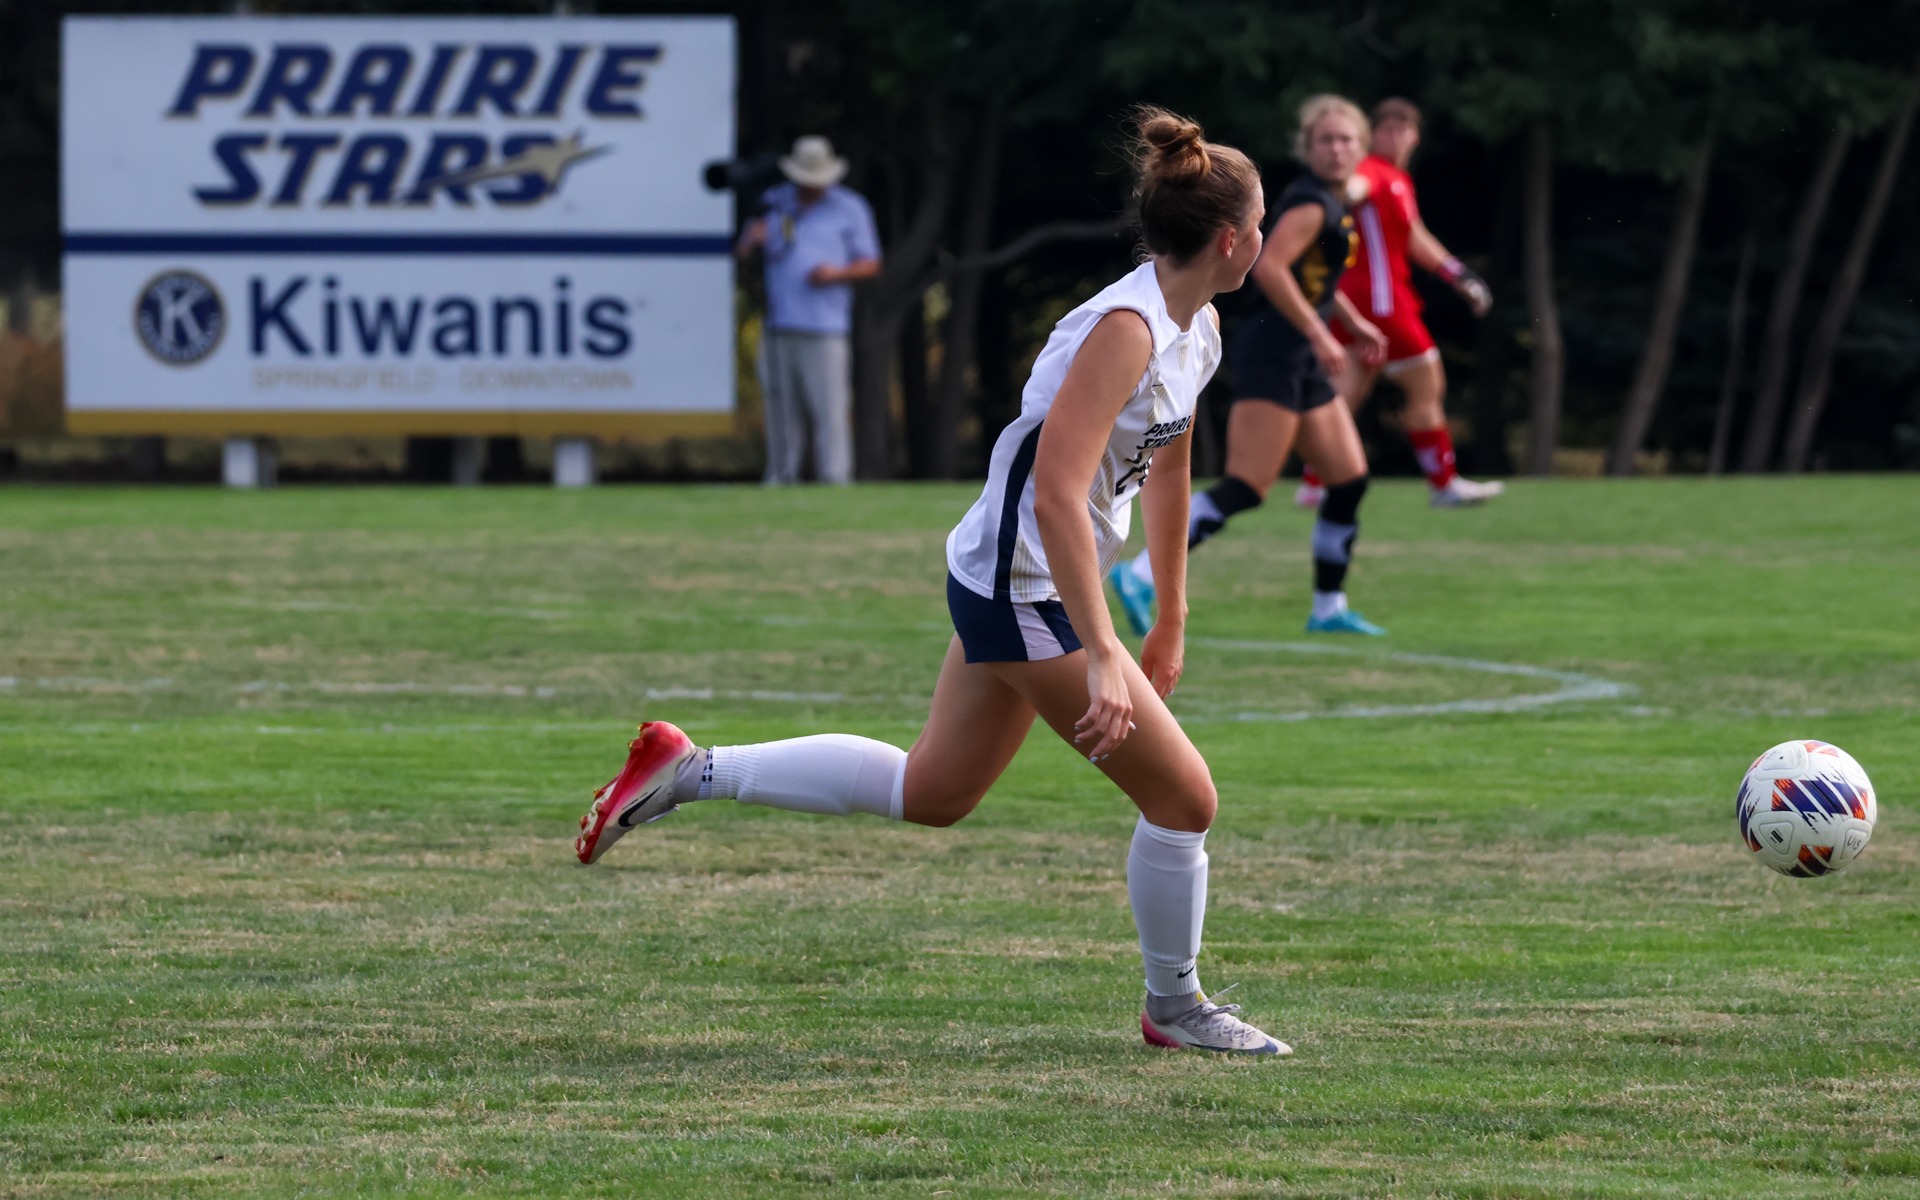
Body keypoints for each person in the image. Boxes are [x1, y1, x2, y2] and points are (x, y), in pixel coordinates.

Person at [578, 108, 1290, 1057]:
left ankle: (690, 768)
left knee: (936, 790)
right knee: (1185, 801)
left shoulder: (1192, 326)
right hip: (1020, 583)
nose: (1268, 235)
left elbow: (1170, 456)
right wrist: (1106, 651)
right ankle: (1176, 1006)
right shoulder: (1127, 328)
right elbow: (1051, 496)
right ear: (1234, 238)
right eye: (1265, 220)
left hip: (1015, 575)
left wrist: (1171, 615)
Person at [1109, 95, 1390, 639]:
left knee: (1349, 479)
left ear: (1361, 148)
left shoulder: (1334, 203)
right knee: (1247, 485)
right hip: (1277, 354)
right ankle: (1139, 574)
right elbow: (1272, 269)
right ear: (1308, 148)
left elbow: (1319, 284)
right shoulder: (1310, 203)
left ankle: (1329, 607)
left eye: (1346, 140)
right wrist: (1318, 332)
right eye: (1326, 140)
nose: (1337, 149)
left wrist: (1348, 323)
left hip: (1302, 357)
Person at [1296, 97, 1502, 509]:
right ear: (1373, 136)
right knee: (1428, 386)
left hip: (1356, 305)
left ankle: (1314, 482)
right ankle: (1443, 483)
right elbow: (1354, 187)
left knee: (1344, 393)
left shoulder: (1399, 181)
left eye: (1403, 130)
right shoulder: (1373, 171)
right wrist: (1332, 195)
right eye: (1387, 130)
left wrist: (1459, 276)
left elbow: (1414, 236)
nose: (1395, 137)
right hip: (1383, 305)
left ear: (1415, 136)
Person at [737, 135, 882, 485]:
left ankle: (834, 478)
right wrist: (751, 241)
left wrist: (836, 274)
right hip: (778, 324)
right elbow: (743, 255)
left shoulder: (850, 207)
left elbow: (871, 264)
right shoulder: (773, 203)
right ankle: (781, 475)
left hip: (825, 326)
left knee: (829, 410)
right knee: (779, 408)